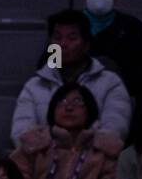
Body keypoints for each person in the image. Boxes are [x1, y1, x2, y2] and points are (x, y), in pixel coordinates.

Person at [12, 10, 132, 142]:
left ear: (86, 45)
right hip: (43, 158)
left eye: (72, 38)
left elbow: (115, 131)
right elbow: (20, 133)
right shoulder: (34, 86)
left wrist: (79, 149)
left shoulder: (111, 82)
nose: (63, 44)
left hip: (93, 159)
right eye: (57, 38)